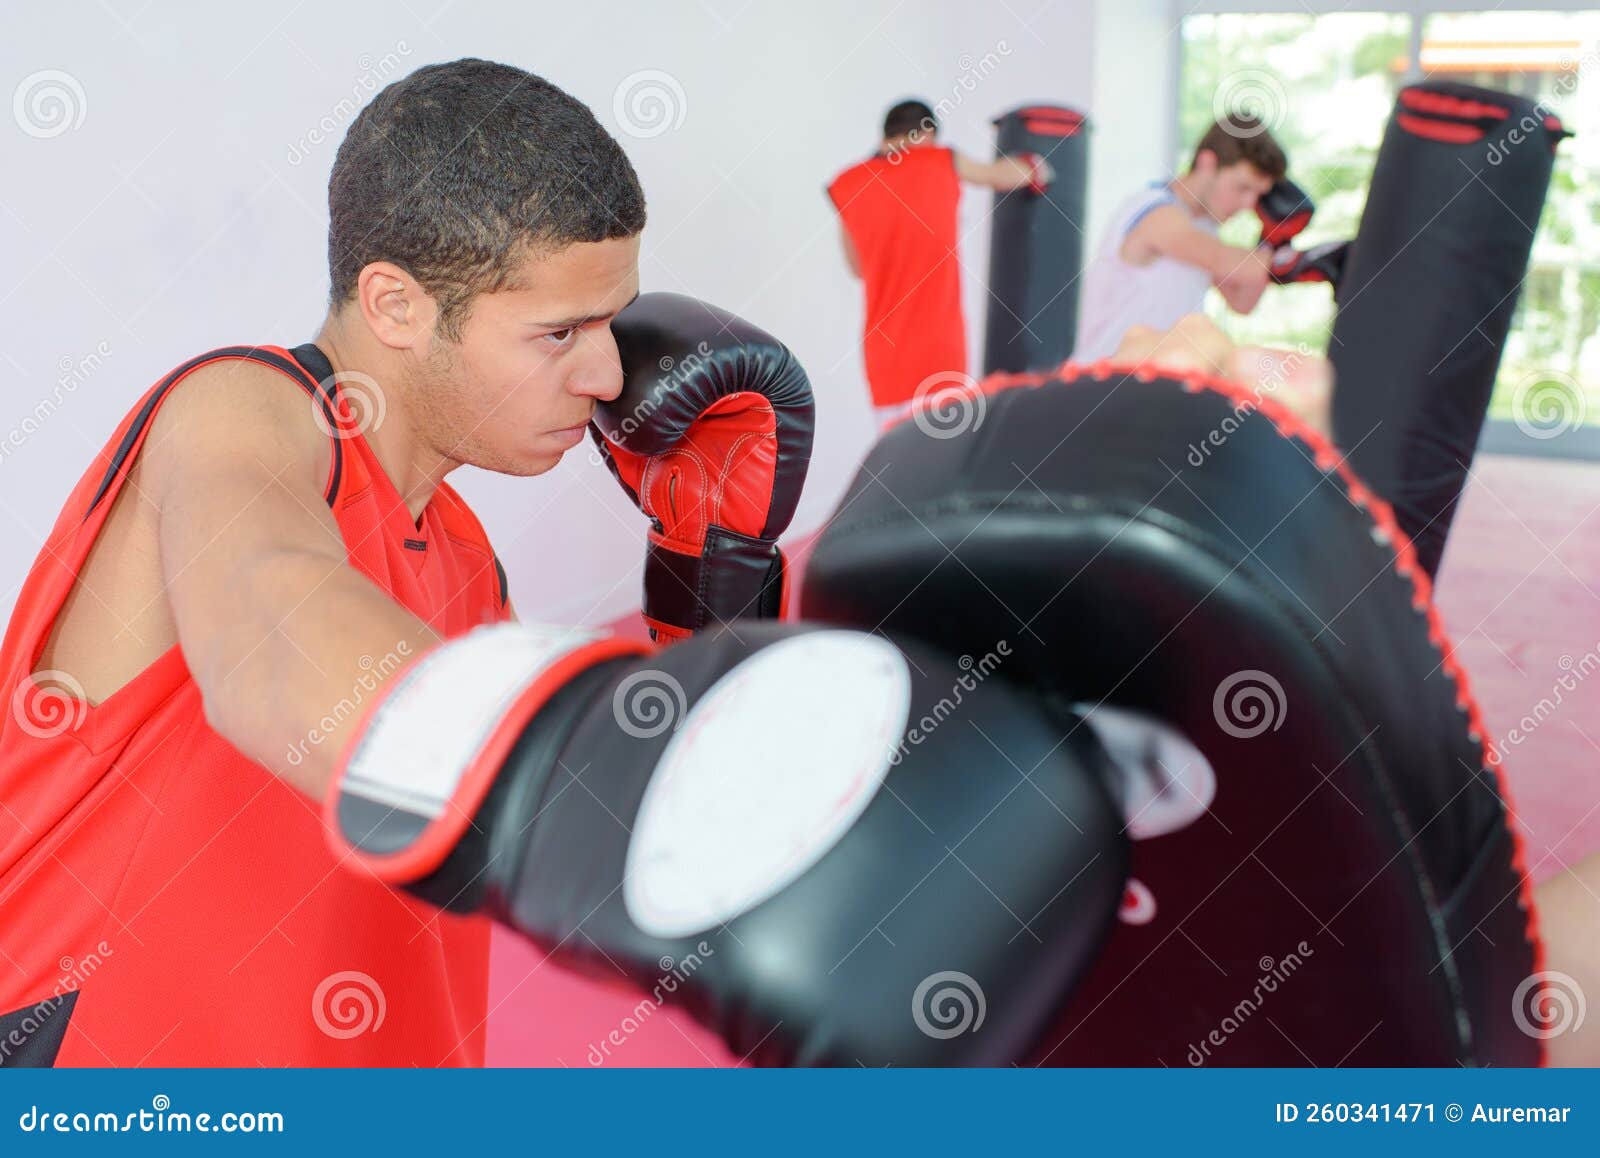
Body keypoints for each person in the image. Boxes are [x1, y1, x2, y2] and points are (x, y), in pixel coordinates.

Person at [0, 58, 649, 1067]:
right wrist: (632, 795)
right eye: (559, 332)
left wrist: (706, 582)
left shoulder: (465, 562)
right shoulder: (238, 412)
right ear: (394, 305)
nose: (606, 374)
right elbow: (273, 636)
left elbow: (589, 895)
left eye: (613, 323)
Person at [827, 99, 1052, 428]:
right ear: (926, 134)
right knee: (943, 451)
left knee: (893, 454)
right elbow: (1002, 175)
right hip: (939, 354)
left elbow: (857, 268)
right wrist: (1036, 166)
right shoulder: (940, 160)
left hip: (884, 358)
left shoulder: (846, 185)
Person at [1073, 114, 1287, 363]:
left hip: (1155, 377)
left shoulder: (1206, 228)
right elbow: (1221, 259)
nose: (1249, 204)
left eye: (1259, 195)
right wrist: (1296, 260)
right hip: (1102, 376)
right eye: (1242, 187)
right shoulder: (1154, 209)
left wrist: (1273, 238)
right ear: (1207, 163)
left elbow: (1242, 301)